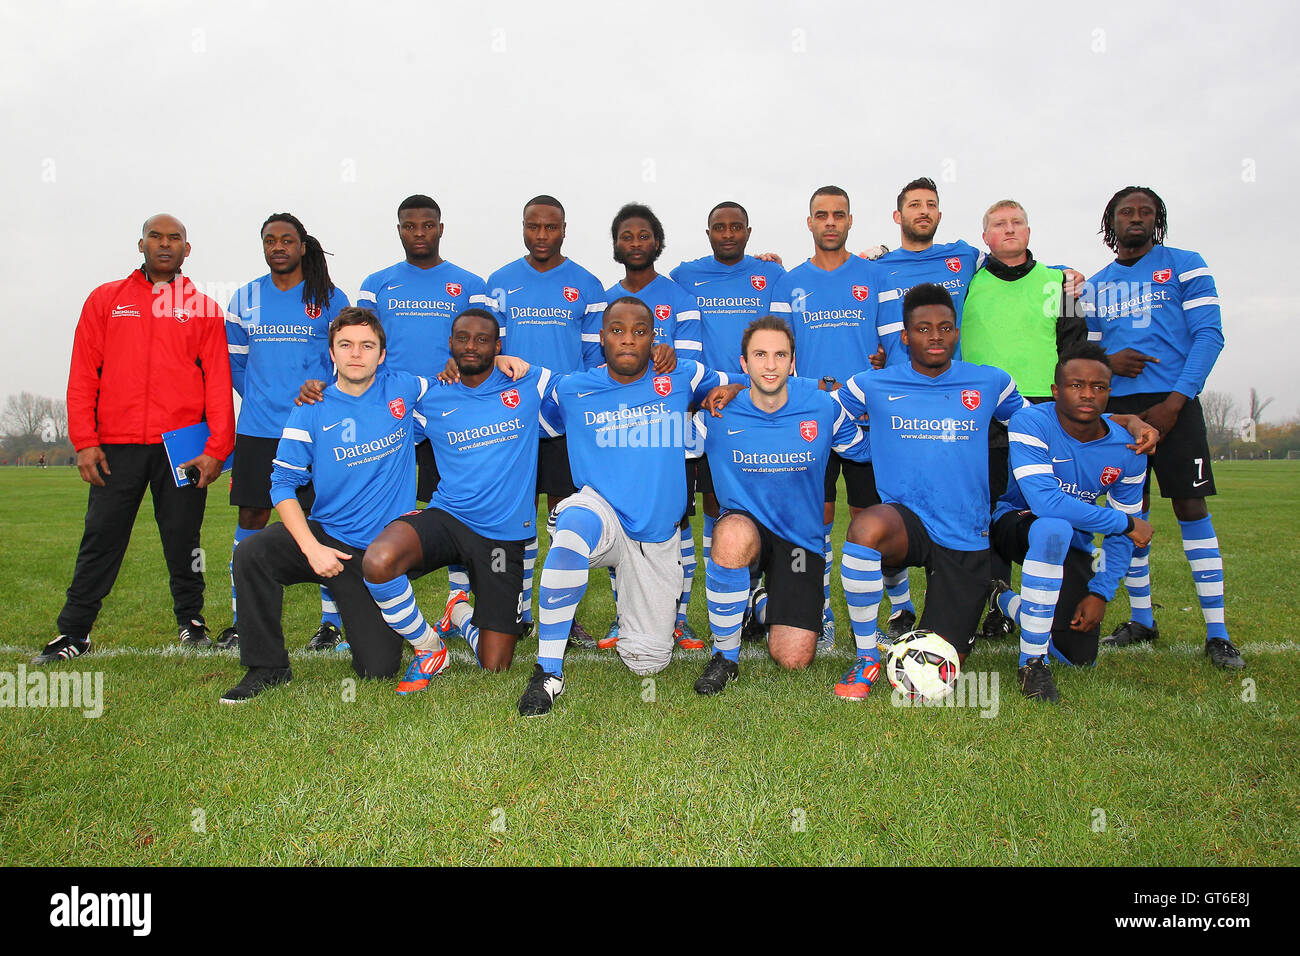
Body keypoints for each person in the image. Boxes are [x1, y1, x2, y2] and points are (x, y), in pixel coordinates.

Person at [34, 214, 234, 664]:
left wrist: (216, 449)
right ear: (140, 245)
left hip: (181, 446)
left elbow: (218, 385)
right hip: (116, 446)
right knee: (101, 537)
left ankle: (192, 623)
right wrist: (84, 440)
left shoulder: (202, 308)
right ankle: (74, 632)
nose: (165, 244)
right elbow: (83, 375)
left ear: (188, 249)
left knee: (185, 538)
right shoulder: (106, 300)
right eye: (156, 237)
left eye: (175, 238)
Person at [515, 297, 727, 716]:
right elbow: (520, 391)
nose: (627, 339)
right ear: (601, 337)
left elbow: (736, 381)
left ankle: (644, 630)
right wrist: (505, 359)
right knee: (572, 526)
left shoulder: (680, 375)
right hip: (602, 514)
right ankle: (547, 671)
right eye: (616, 330)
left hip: (654, 537)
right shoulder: (572, 388)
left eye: (639, 331)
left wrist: (725, 392)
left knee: (648, 662)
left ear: (654, 338)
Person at [829, 283, 1028, 699]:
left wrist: (1124, 421)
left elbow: (1035, 424)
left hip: (966, 533)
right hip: (907, 520)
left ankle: (989, 590)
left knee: (936, 666)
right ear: (905, 336)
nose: (935, 336)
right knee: (866, 528)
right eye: (923, 329)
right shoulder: (873, 384)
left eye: (944, 327)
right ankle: (866, 656)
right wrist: (865, 449)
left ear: (956, 333)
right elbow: (830, 415)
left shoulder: (991, 382)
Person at [220, 308, 425, 701]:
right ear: (331, 352)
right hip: (327, 536)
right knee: (251, 553)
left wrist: (500, 359)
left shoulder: (405, 389)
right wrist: (311, 549)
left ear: (382, 354)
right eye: (345, 344)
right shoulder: (311, 405)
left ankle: (378, 619)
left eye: (367, 346)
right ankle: (267, 666)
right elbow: (281, 483)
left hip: (375, 557)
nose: (356, 354)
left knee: (378, 669)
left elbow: (465, 386)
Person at [1081, 185, 1243, 669]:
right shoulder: (1093, 285)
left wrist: (1176, 401)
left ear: (1158, 219)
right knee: (1129, 509)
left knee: (1190, 504)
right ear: (1111, 222)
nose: (1136, 218)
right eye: (1125, 212)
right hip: (1119, 411)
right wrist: (1107, 361)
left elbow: (1210, 335)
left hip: (1174, 403)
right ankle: (1142, 620)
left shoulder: (1186, 263)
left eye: (1145, 211)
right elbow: (1085, 356)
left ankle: (1217, 632)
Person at [361, 309, 546, 692]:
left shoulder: (528, 385)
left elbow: (596, 385)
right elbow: (372, 395)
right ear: (450, 343)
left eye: (482, 339)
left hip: (501, 537)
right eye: (462, 338)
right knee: (379, 560)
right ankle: (429, 647)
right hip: (448, 518)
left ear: (498, 347)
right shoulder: (431, 395)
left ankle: (459, 612)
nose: (471, 345)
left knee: (495, 666)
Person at [690, 316, 869, 695]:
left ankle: (762, 603)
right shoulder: (717, 413)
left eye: (779, 355)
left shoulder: (823, 409)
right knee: (731, 532)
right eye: (759, 355)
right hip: (747, 529)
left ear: (792, 362)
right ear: (744, 364)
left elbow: (863, 450)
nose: (769, 365)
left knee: (793, 658)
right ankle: (725, 657)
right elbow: (667, 443)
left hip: (798, 541)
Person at [989, 345, 1152, 702]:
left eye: (1099, 387)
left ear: (1110, 392)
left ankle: (1002, 598)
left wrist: (1100, 593)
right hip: (1014, 523)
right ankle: (1032, 663)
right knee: (1053, 525)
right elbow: (1045, 502)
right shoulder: (1031, 422)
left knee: (1079, 657)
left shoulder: (1128, 450)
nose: (1088, 394)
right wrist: (1125, 522)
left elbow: (1123, 537)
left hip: (1073, 539)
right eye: (1077, 385)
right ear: (1055, 391)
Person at [960, 199, 1089, 639]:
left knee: (1043, 508)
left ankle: (1051, 602)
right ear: (986, 237)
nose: (1009, 229)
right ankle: (997, 602)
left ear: (1029, 232)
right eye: (999, 223)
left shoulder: (1059, 283)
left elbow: (1074, 353)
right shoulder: (968, 283)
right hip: (981, 415)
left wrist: (1065, 415)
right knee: (988, 509)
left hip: (1042, 413)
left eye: (1017, 222)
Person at [220, 213, 350, 652]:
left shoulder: (329, 298)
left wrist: (325, 398)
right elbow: (235, 362)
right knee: (252, 519)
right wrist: (261, 396)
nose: (278, 246)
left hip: (314, 431)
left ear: (301, 245)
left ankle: (331, 624)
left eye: (287, 240)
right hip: (257, 429)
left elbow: (347, 362)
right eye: (270, 240)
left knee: (324, 520)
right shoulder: (245, 297)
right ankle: (243, 621)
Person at [768, 185, 887, 652]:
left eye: (839, 215)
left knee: (868, 521)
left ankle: (875, 618)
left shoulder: (873, 276)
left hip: (865, 420)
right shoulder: (788, 282)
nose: (831, 222)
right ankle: (819, 612)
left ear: (851, 221)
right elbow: (778, 352)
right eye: (822, 215)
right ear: (810, 222)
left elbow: (890, 345)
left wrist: (878, 368)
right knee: (814, 520)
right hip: (811, 419)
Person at [484, 195, 606, 645]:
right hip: (510, 421)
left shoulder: (587, 285)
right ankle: (514, 610)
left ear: (564, 229)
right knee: (515, 516)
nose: (541, 236)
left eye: (550, 227)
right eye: (532, 227)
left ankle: (562, 613)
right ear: (522, 227)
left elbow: (596, 360)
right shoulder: (498, 282)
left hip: (563, 421)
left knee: (564, 516)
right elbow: (485, 349)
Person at [670, 201, 787, 647]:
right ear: (708, 232)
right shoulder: (685, 275)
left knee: (731, 510)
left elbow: (783, 333)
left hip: (747, 407)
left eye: (737, 226)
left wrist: (741, 385)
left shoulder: (770, 275)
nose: (728, 234)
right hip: (696, 409)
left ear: (749, 231)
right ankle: (680, 612)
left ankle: (739, 606)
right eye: (720, 227)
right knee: (682, 510)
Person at [598, 203, 701, 651]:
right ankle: (625, 617)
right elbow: (594, 364)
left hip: (669, 431)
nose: (635, 243)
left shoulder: (680, 297)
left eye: (644, 236)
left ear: (657, 242)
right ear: (616, 244)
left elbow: (695, 364)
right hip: (619, 430)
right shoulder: (604, 301)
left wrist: (673, 358)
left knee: (674, 523)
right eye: (627, 236)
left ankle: (677, 618)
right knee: (621, 522)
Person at [354, 194, 490, 505]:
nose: (418, 233)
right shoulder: (375, 284)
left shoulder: (471, 285)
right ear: (398, 230)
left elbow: (484, 345)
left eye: (427, 225)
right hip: (390, 405)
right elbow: (363, 345)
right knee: (383, 496)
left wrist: (460, 362)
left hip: (450, 402)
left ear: (441, 229)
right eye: (410, 226)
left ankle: (446, 552)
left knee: (446, 500)